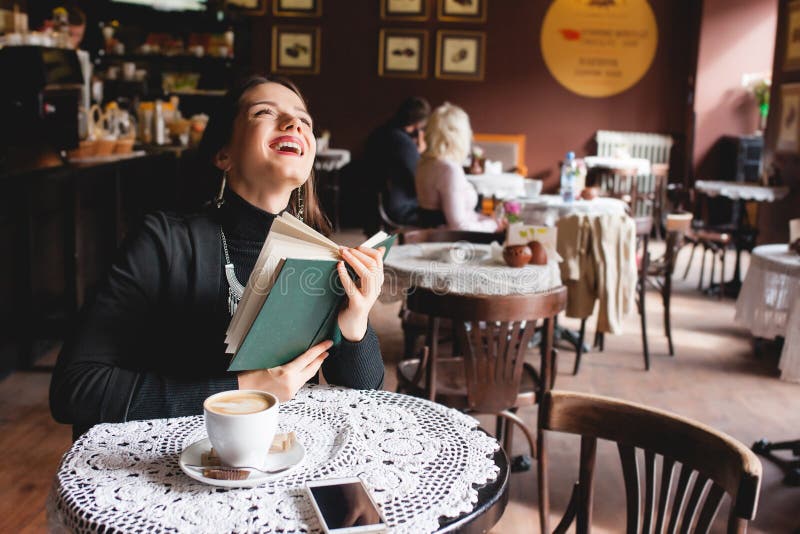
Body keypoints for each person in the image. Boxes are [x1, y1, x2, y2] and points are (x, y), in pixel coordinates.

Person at [50, 75, 386, 439]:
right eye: (264, 113)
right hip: (168, 469)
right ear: (223, 153)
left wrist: (355, 322)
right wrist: (244, 390)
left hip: (277, 462)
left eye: (304, 121)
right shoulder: (163, 243)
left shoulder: (320, 256)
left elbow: (361, 397)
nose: (293, 125)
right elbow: (75, 389)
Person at [415, 103, 504, 231]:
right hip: (449, 243)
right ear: (458, 135)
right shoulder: (448, 169)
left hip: (432, 237)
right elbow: (458, 227)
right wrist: (493, 225)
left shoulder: (425, 163)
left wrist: (488, 221)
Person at [364, 97, 430, 227]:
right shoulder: (403, 142)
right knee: (439, 215)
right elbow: (417, 179)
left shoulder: (380, 132)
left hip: (372, 201)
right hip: (400, 207)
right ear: (418, 123)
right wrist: (420, 153)